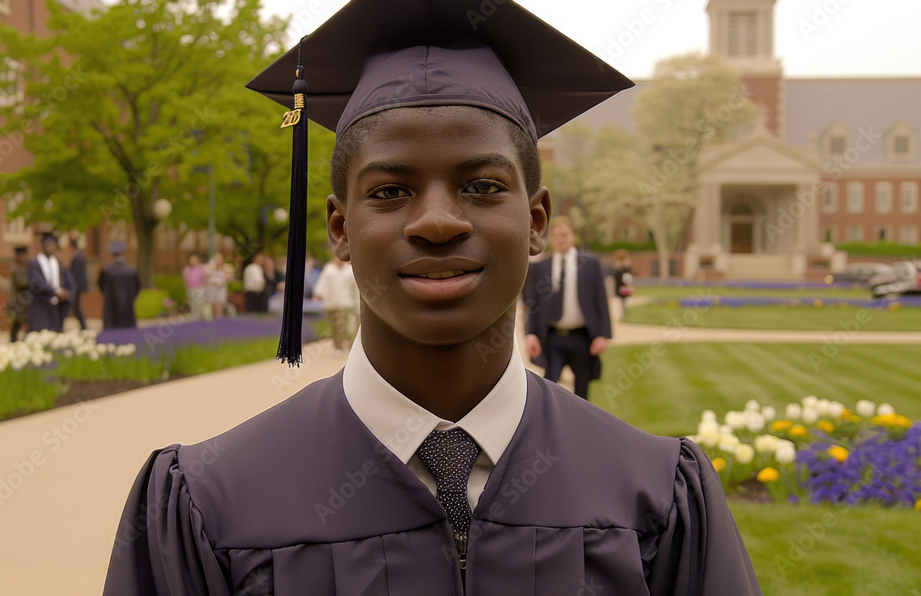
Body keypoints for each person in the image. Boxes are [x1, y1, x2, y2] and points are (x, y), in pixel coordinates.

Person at [103, 1, 761, 593]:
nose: (438, 221)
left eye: (481, 186)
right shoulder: (213, 503)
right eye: (390, 191)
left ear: (536, 222)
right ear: (339, 229)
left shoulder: (653, 497)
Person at [523, 216, 611, 400]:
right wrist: (530, 334)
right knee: (549, 388)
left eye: (564, 234)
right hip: (553, 337)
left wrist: (603, 334)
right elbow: (532, 305)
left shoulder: (590, 264)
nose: (560, 239)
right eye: (555, 235)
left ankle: (581, 427)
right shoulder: (540, 268)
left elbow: (601, 300)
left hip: (582, 337)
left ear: (573, 236)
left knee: (582, 390)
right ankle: (551, 426)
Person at [27, 233, 75, 333]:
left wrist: (68, 292)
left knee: (55, 333)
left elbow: (68, 279)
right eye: (48, 245)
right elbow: (37, 283)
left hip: (56, 304)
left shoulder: (58, 262)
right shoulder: (34, 263)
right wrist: (56, 291)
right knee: (40, 332)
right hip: (40, 304)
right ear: (42, 246)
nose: (50, 247)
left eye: (52, 245)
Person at [312, 256, 359, 355]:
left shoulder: (349, 270)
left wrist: (357, 301)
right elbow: (322, 282)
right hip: (331, 303)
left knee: (347, 327)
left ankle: (351, 347)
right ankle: (338, 347)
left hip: (346, 303)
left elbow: (355, 287)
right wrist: (317, 295)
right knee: (335, 327)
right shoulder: (329, 269)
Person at [97, 241, 141, 330]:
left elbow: (100, 285)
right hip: (128, 307)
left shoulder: (106, 270)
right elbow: (138, 286)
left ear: (112, 254)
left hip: (111, 307)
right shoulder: (132, 270)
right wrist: (131, 297)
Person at [6, 246, 31, 342]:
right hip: (17, 302)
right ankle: (13, 343)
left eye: (25, 255)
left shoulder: (27, 267)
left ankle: (23, 342)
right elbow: (22, 283)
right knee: (16, 325)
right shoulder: (15, 269)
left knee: (25, 324)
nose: (24, 257)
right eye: (21, 255)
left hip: (25, 303)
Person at [68, 234, 89, 330]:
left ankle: (84, 327)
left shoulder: (78, 257)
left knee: (76, 308)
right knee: (76, 308)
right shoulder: (78, 256)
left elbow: (76, 274)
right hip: (77, 286)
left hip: (77, 287)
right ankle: (83, 326)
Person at [205, 252, 233, 319]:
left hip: (221, 291)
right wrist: (212, 283)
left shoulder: (226, 268)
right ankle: (213, 324)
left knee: (219, 308)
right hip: (212, 291)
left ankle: (219, 323)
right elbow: (206, 279)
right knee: (212, 308)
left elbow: (230, 278)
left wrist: (221, 282)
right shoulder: (210, 268)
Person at [182, 252, 207, 320]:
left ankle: (198, 317)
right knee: (192, 303)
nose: (192, 261)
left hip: (199, 288)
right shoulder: (186, 269)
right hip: (190, 288)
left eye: (194, 259)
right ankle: (194, 316)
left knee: (198, 304)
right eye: (191, 259)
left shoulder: (202, 268)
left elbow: (205, 278)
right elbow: (184, 279)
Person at [612, 248, 634, 321]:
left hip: (624, 286)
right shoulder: (618, 268)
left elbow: (628, 276)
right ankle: (624, 313)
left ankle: (625, 313)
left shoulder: (626, 267)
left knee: (624, 301)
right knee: (622, 301)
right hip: (620, 286)